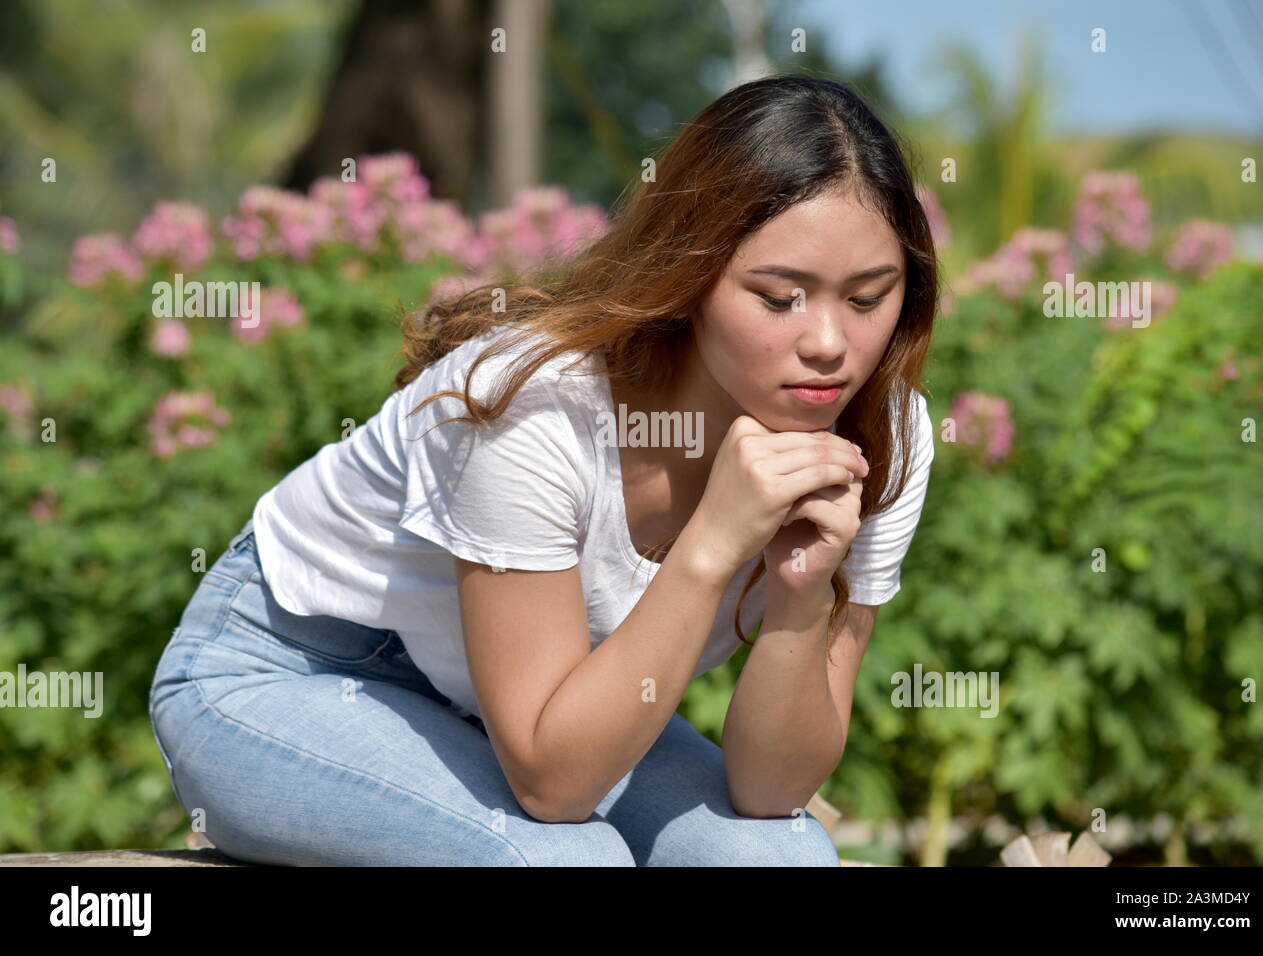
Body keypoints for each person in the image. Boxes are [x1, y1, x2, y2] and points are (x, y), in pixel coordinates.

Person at [149, 72, 938, 866]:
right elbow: (554, 790)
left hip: (558, 703)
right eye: (778, 298)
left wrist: (801, 594)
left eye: (869, 298)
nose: (830, 344)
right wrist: (712, 546)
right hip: (291, 672)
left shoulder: (886, 435)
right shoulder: (528, 404)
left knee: (780, 860)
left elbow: (772, 793)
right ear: (692, 274)